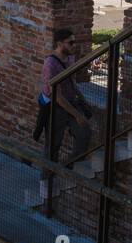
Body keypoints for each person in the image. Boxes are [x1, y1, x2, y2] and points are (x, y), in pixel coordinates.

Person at [39, 27, 94, 165]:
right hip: (55, 108)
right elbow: (57, 96)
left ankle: (67, 166)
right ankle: (46, 183)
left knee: (84, 133)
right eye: (70, 43)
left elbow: (71, 82)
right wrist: (77, 115)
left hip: (70, 102)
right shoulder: (50, 64)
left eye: (74, 42)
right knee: (52, 146)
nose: (73, 45)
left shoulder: (70, 58)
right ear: (59, 43)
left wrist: (82, 98)